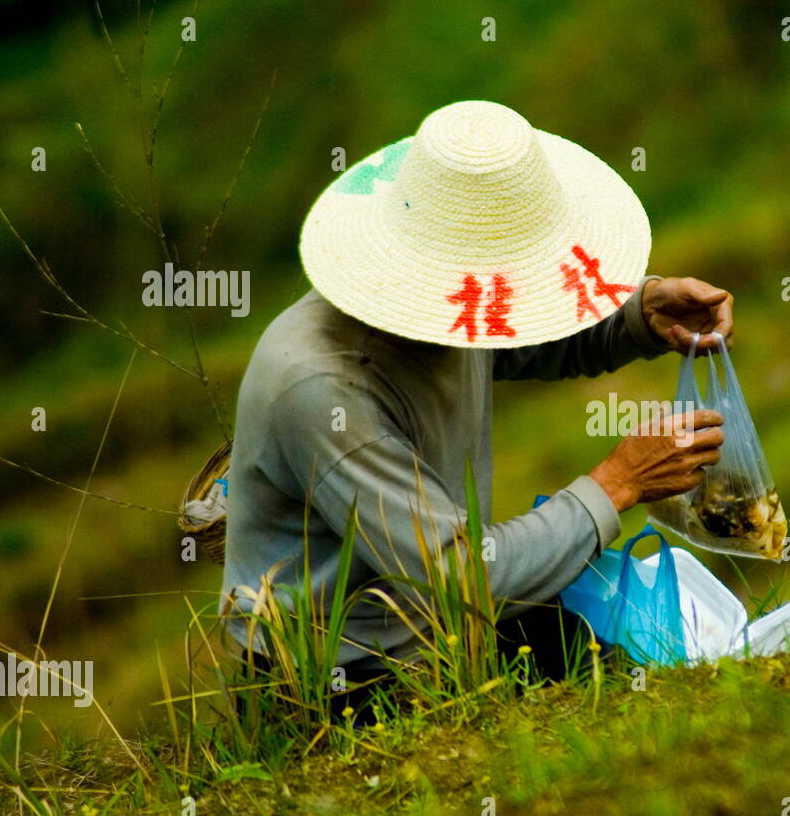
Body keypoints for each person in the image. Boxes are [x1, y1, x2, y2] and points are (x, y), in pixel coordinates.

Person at [220, 100, 734, 709]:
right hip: (345, 666)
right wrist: (616, 484)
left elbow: (524, 335)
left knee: (624, 673)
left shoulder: (443, 314)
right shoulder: (326, 390)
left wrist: (637, 319)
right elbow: (454, 578)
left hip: (436, 614)